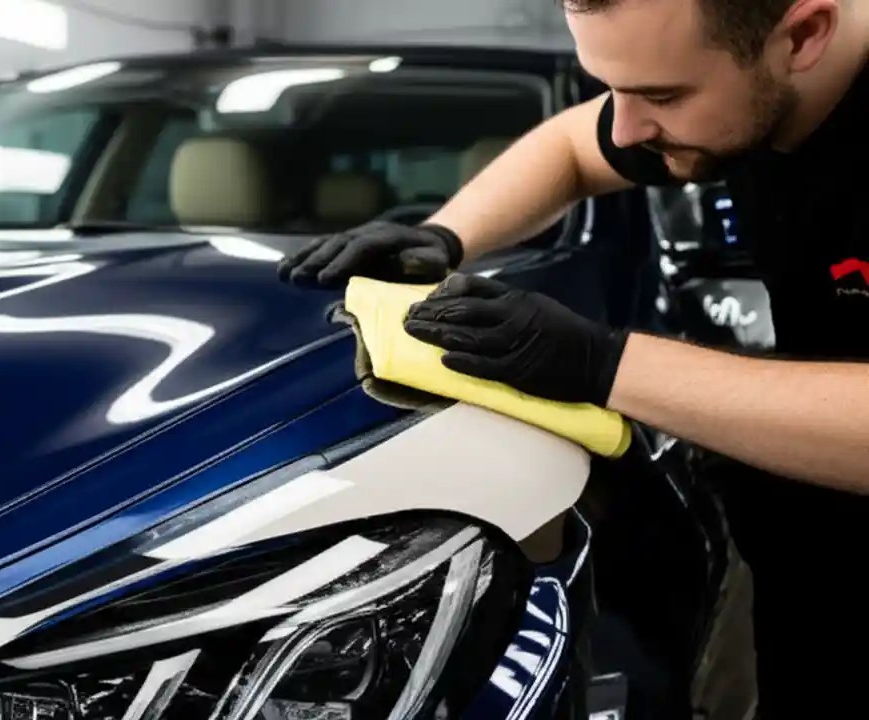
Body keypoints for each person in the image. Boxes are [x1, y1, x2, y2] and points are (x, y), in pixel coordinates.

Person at [278, 0, 869, 716]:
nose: (624, 129)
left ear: (804, 36)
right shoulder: (742, 86)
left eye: (661, 96)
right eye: (614, 88)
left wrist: (604, 363)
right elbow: (573, 146)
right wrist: (445, 235)